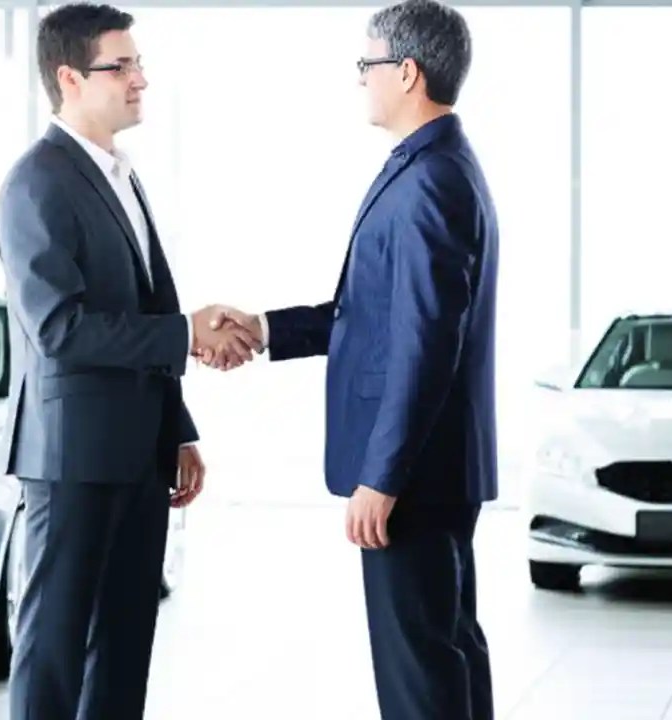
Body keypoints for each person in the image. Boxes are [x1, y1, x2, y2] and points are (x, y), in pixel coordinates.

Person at [204, 1, 497, 717]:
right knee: (446, 649)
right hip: (435, 466)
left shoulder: (431, 181)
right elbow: (369, 317)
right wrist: (264, 328)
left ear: (407, 72)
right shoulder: (435, 166)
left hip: (414, 472)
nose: (361, 78)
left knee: (420, 671)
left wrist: (382, 476)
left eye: (368, 64)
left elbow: (425, 343)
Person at [0, 4, 259, 719]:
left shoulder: (120, 175)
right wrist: (186, 333)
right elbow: (60, 328)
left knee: (124, 642)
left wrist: (178, 428)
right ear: (69, 78)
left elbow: (141, 305)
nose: (140, 79)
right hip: (73, 458)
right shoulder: (37, 182)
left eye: (139, 64)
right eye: (122, 66)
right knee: (54, 646)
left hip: (139, 452)